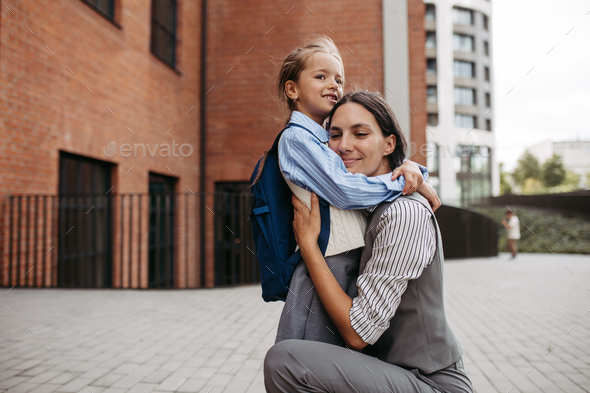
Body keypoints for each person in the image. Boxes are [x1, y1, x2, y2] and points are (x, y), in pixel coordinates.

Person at [264, 91, 472, 393]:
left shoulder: (403, 213)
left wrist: (309, 248)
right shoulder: (360, 203)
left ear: (389, 144)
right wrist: (411, 169)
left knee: (286, 362)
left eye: (360, 133)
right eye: (334, 135)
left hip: (430, 382)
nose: (344, 145)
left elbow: (359, 332)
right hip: (390, 372)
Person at [268, 36, 440, 346]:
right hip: (326, 266)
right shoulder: (296, 140)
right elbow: (344, 189)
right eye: (320, 76)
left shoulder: (324, 141)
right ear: (292, 89)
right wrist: (404, 180)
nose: (333, 84)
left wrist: (410, 167)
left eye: (338, 79)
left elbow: (371, 167)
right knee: (307, 361)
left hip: (344, 261)